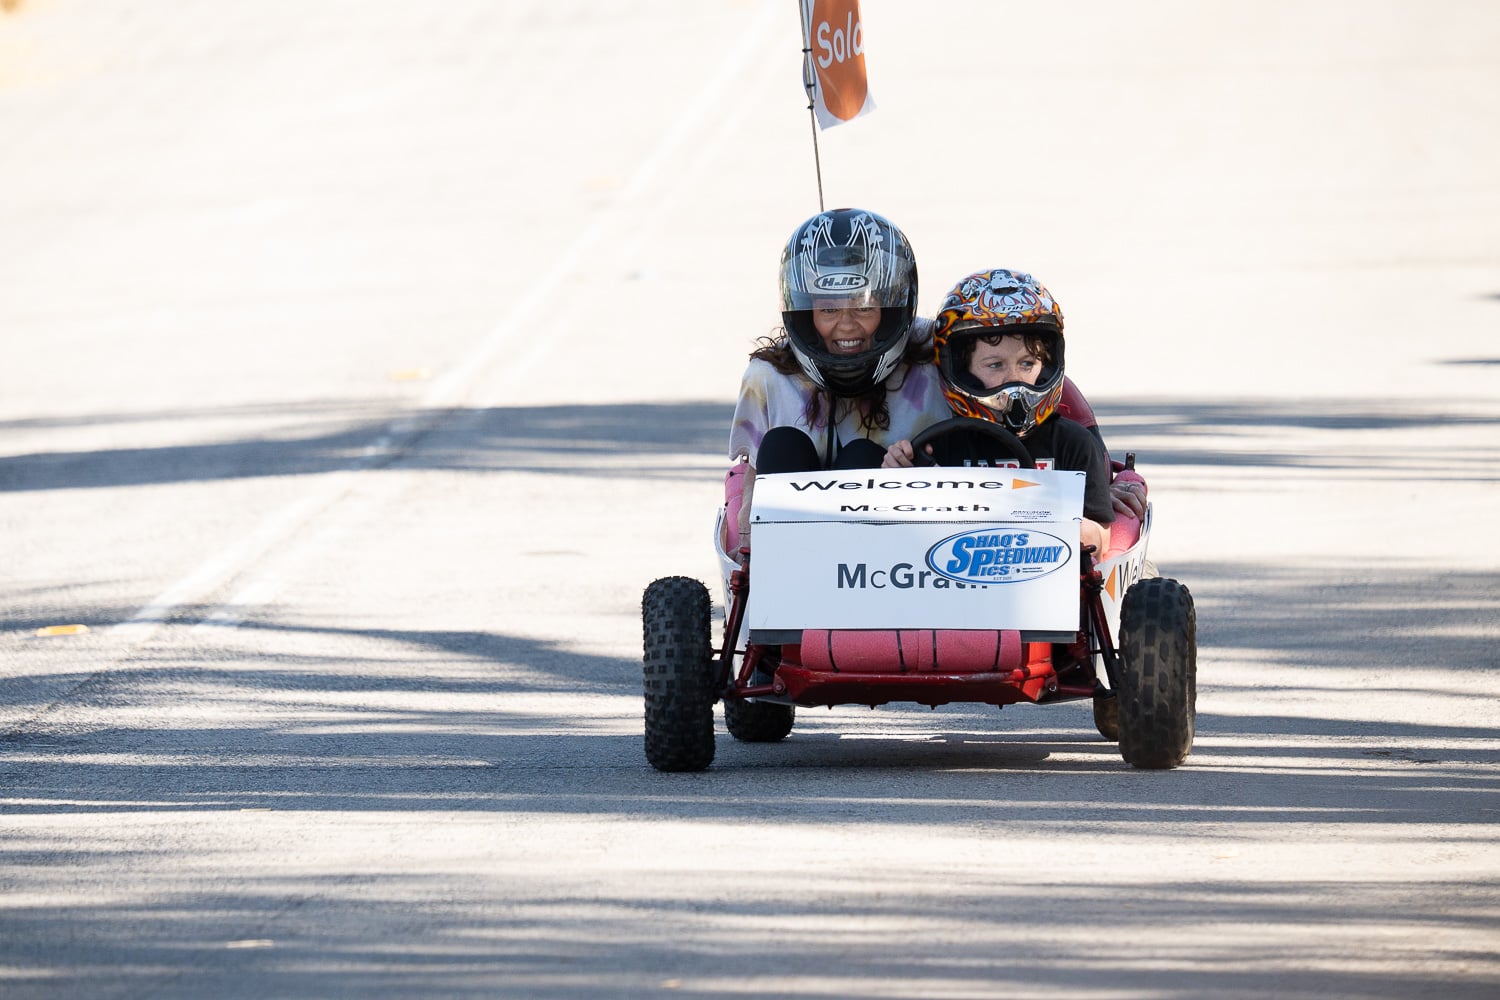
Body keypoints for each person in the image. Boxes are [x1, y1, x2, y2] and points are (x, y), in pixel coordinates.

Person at [727, 208, 949, 548]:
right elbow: (751, 476)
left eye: (864, 308)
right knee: (783, 444)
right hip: (797, 551)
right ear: (803, 312)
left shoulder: (938, 357)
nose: (846, 325)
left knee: (862, 458)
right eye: (828, 309)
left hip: (901, 548)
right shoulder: (768, 378)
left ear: (892, 309)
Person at [882, 268, 1118, 555]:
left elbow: (1101, 536)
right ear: (962, 372)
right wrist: (895, 478)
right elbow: (908, 535)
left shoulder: (1074, 444)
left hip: (1051, 586)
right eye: (996, 365)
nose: (1014, 377)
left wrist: (1060, 528)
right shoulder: (941, 448)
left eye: (1027, 363)